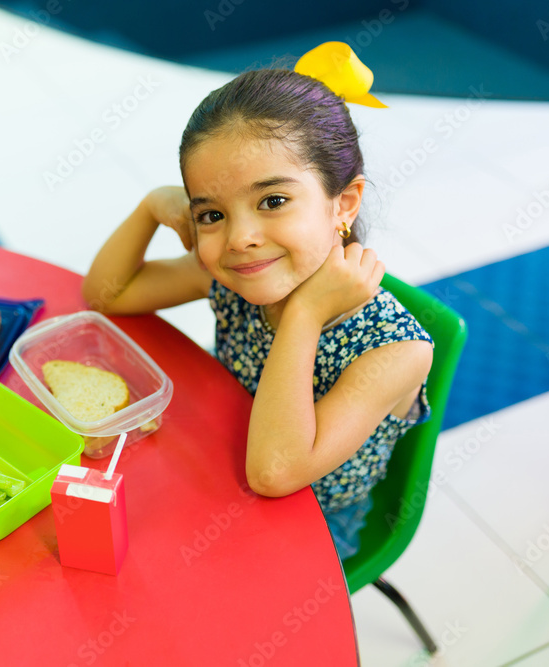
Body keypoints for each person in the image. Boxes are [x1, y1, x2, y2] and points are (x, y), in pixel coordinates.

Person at [82, 43, 434, 559]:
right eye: (212, 214)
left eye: (272, 201)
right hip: (219, 470)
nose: (240, 237)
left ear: (345, 203)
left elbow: (275, 472)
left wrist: (306, 315)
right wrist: (151, 207)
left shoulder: (395, 352)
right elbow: (107, 295)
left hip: (310, 527)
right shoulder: (236, 277)